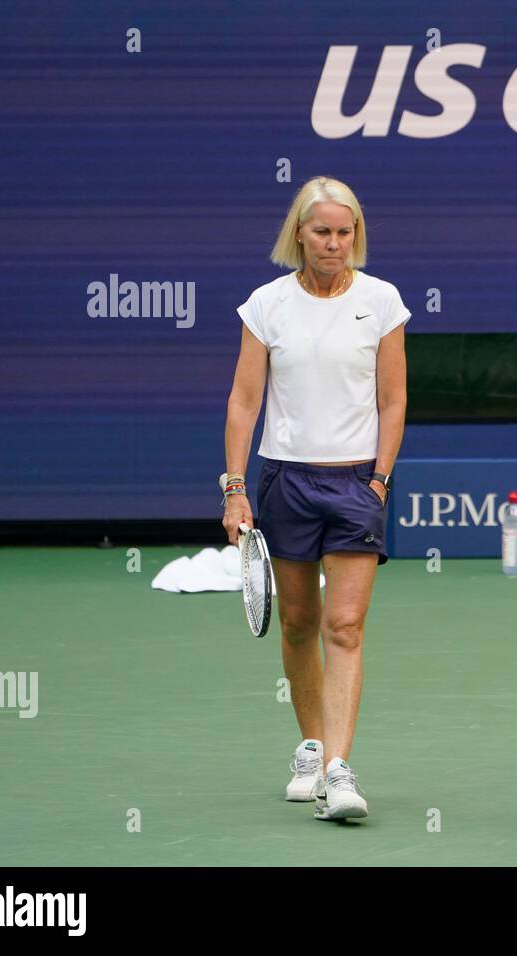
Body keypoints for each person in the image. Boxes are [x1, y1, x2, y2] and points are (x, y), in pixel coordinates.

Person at [222, 176, 410, 821]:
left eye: (346, 231)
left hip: (356, 482)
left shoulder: (382, 300)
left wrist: (379, 479)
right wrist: (235, 490)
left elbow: (392, 399)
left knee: (346, 626)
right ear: (298, 234)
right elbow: (244, 402)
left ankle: (338, 769)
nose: (335, 243)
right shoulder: (266, 305)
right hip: (284, 481)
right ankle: (309, 747)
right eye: (323, 231)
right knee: (299, 623)